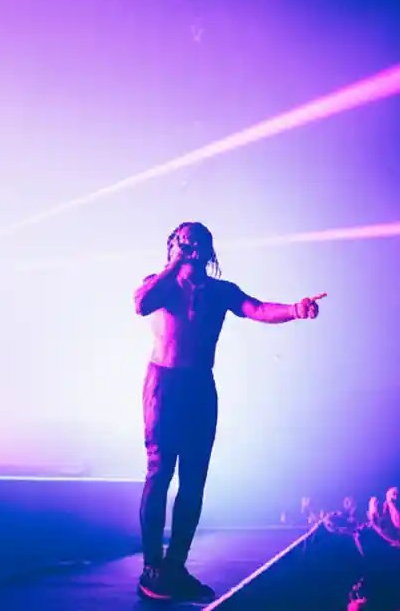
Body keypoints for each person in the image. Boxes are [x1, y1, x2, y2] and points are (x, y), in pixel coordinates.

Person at [133, 221, 326, 601]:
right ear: (172, 244)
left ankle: (176, 565)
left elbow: (256, 309)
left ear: (209, 248)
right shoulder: (160, 282)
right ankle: (151, 566)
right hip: (164, 386)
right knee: (159, 471)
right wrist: (173, 263)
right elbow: (141, 304)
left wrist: (295, 310)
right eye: (183, 240)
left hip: (199, 389)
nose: (191, 246)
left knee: (193, 480)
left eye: (197, 241)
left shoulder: (221, 291)